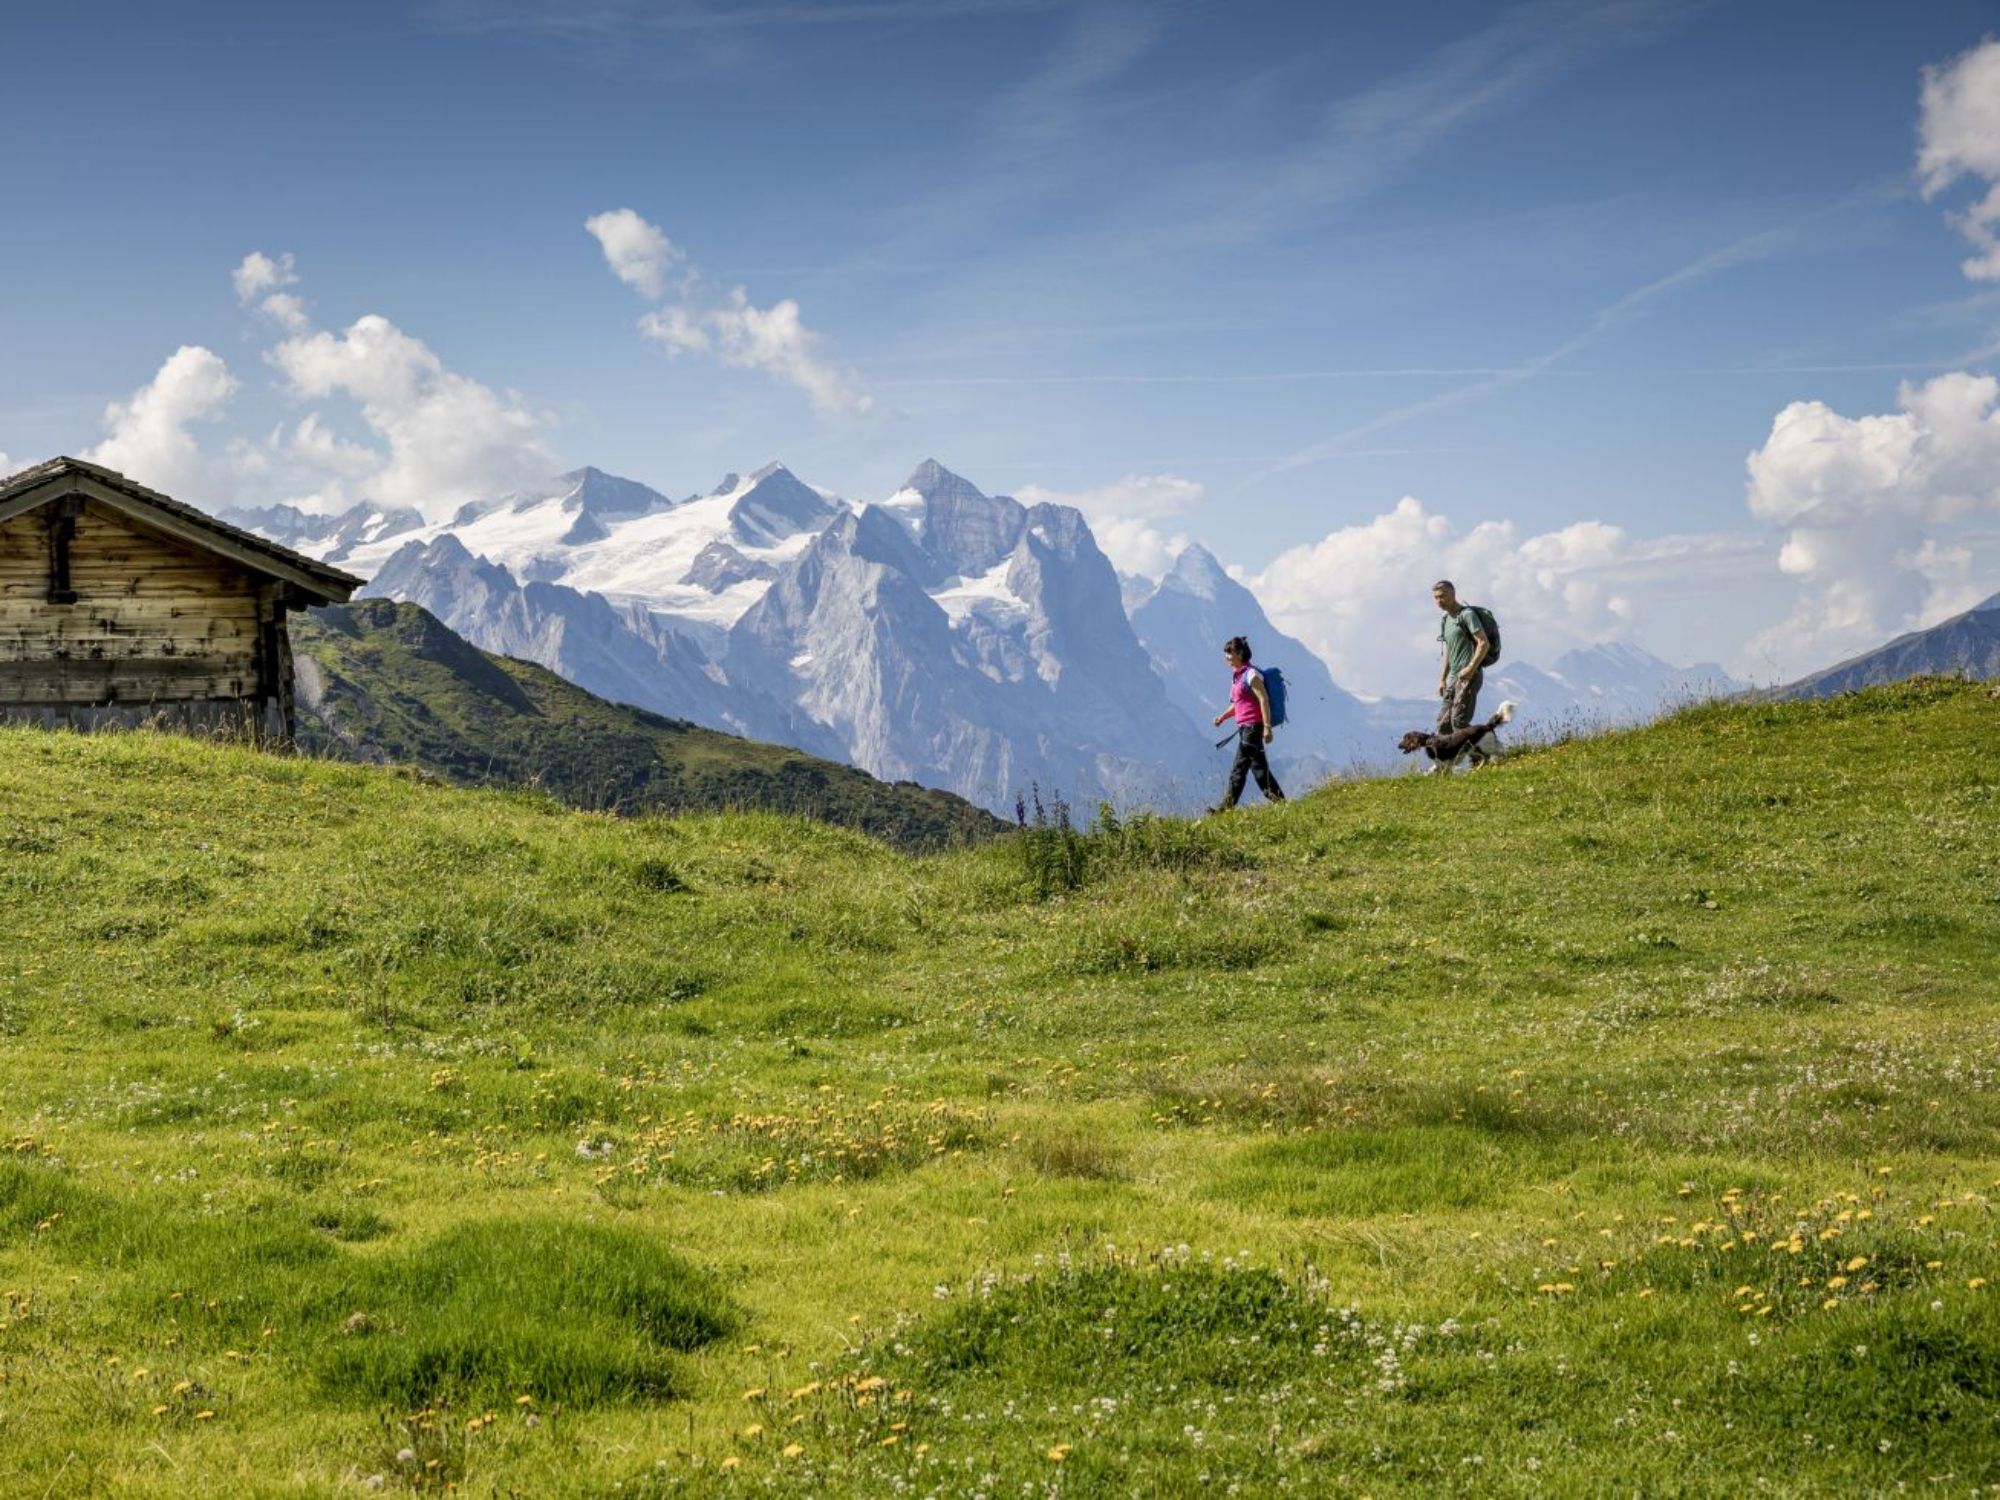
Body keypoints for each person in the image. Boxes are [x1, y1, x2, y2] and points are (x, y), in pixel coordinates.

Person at [1210, 635, 1284, 810]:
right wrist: (1222, 717)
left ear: (1240, 653)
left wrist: (1267, 727)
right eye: (1226, 653)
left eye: (1229, 653)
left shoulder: (1251, 674)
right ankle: (1281, 803)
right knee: (1259, 770)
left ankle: (1225, 809)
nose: (1226, 657)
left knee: (1239, 769)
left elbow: (1263, 699)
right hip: (1245, 728)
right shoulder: (1237, 677)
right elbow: (1238, 705)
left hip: (1253, 727)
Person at [1432, 579, 1492, 762]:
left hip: (1470, 677)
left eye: (1442, 596)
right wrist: (1442, 679)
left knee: (1459, 722)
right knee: (1443, 723)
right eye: (1435, 598)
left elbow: (1483, 643)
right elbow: (1450, 651)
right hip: (1453, 678)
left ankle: (1480, 758)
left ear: (1453, 594)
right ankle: (1444, 764)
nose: (1439, 601)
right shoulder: (1445, 620)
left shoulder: (1466, 615)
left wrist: (1471, 668)